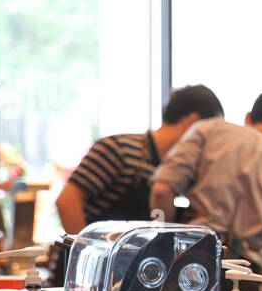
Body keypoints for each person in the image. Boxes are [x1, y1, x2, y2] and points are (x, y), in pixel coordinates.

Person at [150, 84, 262, 291]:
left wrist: (160, 237)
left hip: (189, 259)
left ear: (248, 117)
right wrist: (259, 273)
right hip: (244, 281)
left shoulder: (208, 130)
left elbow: (161, 190)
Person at [56, 84, 224, 233]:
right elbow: (66, 202)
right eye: (211, 134)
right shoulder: (119, 149)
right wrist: (88, 255)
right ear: (192, 123)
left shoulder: (177, 173)